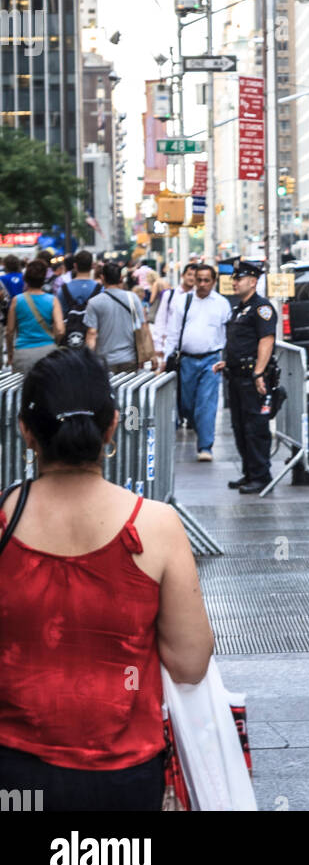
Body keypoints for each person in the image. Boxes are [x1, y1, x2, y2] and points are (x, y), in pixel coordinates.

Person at [0, 347, 214, 811]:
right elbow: (191, 662)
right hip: (124, 774)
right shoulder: (155, 525)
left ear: (26, 432)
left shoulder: (3, 523)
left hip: (14, 769)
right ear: (112, 425)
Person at [213, 261, 277, 494]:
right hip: (236, 376)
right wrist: (227, 362)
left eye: (239, 279)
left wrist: (259, 372)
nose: (234, 282)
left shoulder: (262, 308)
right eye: (234, 278)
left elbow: (266, 341)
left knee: (255, 428)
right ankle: (250, 473)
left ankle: (261, 476)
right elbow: (240, 342)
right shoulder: (240, 308)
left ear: (253, 281)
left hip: (253, 378)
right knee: (239, 428)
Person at [164, 264, 231, 462]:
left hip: (211, 360)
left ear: (213, 282)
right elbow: (173, 332)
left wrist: (226, 358)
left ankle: (205, 447)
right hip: (186, 361)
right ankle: (193, 421)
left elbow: (228, 334)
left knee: (206, 404)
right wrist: (165, 359)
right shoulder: (183, 302)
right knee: (187, 404)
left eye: (206, 280)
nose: (201, 284)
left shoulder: (221, 304)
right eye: (198, 280)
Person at [84, 260, 148, 375]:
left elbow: (92, 333)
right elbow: (143, 327)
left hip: (105, 361)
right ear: (121, 278)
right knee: (128, 391)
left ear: (102, 278)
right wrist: (148, 354)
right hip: (130, 358)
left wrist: (89, 360)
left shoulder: (94, 302)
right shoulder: (133, 298)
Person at [6, 258, 63, 374]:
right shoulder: (53, 300)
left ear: (26, 278)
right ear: (43, 280)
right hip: (48, 352)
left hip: (23, 353)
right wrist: (54, 341)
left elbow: (10, 332)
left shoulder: (17, 300)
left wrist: (11, 354)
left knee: (24, 390)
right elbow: (60, 330)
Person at [151, 261, 197, 361]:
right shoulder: (170, 295)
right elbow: (161, 319)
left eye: (195, 275)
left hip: (189, 347)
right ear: (182, 275)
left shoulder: (198, 297)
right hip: (169, 345)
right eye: (189, 274)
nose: (191, 278)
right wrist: (158, 345)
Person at [57, 250, 102, 350]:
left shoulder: (63, 290)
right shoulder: (100, 289)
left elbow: (60, 317)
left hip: (70, 340)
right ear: (92, 266)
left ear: (75, 266)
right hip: (94, 341)